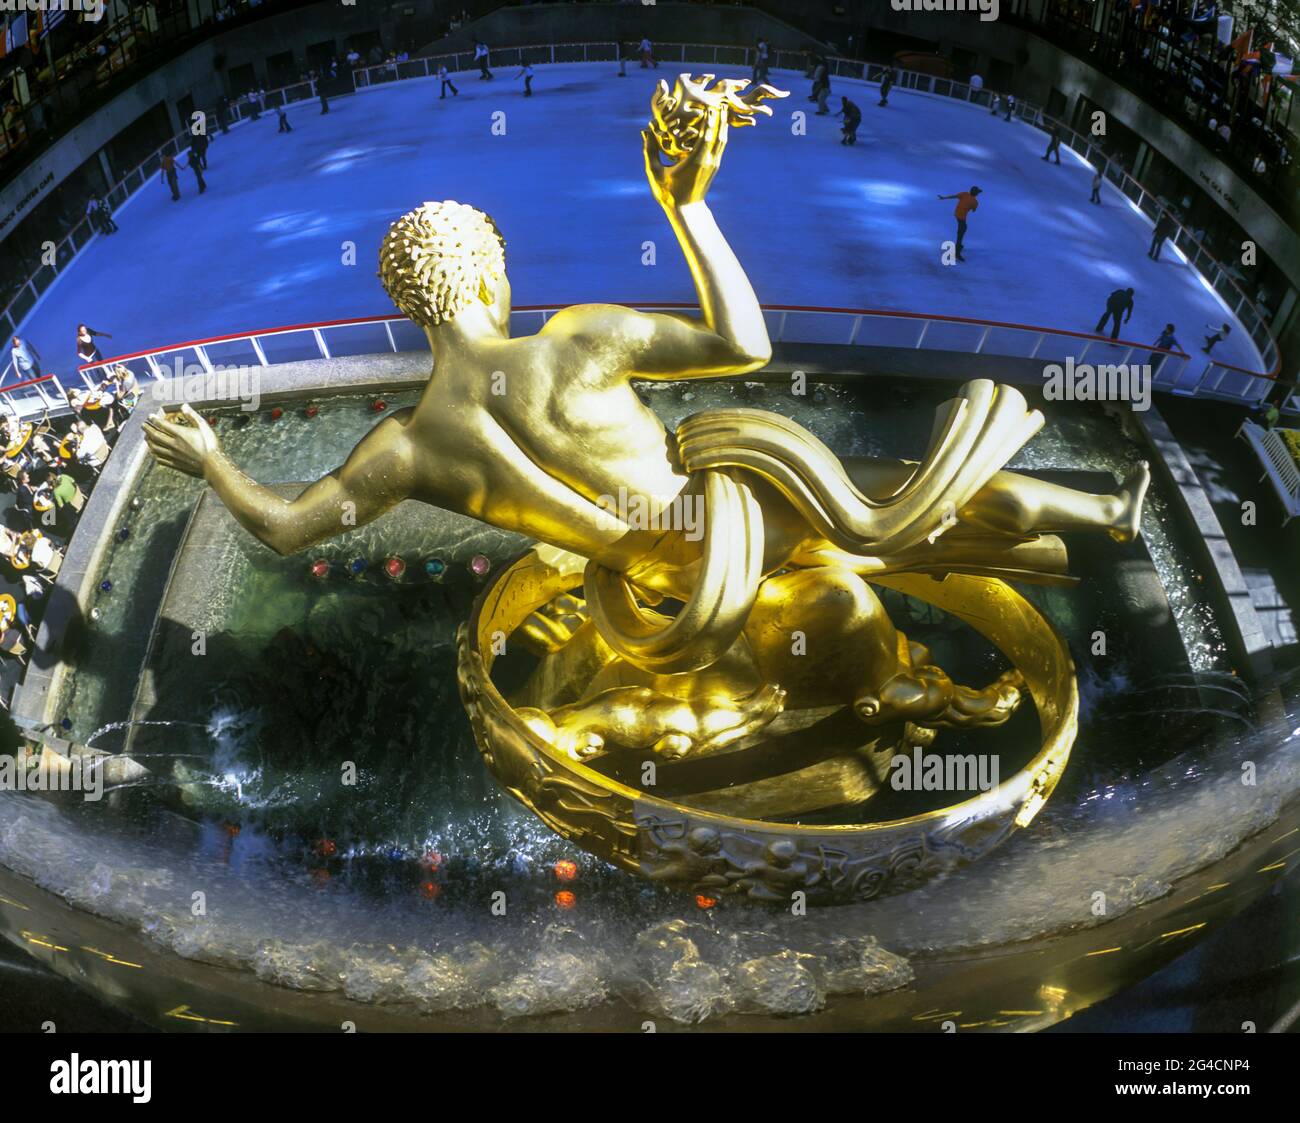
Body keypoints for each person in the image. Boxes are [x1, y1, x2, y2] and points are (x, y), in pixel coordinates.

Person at [936, 186, 982, 262]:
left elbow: (954, 196)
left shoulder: (964, 194)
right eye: (978, 193)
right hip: (961, 218)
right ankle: (957, 251)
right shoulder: (975, 202)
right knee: (961, 231)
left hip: (956, 214)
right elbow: (973, 210)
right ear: (976, 194)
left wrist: (943, 198)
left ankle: (959, 245)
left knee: (963, 229)